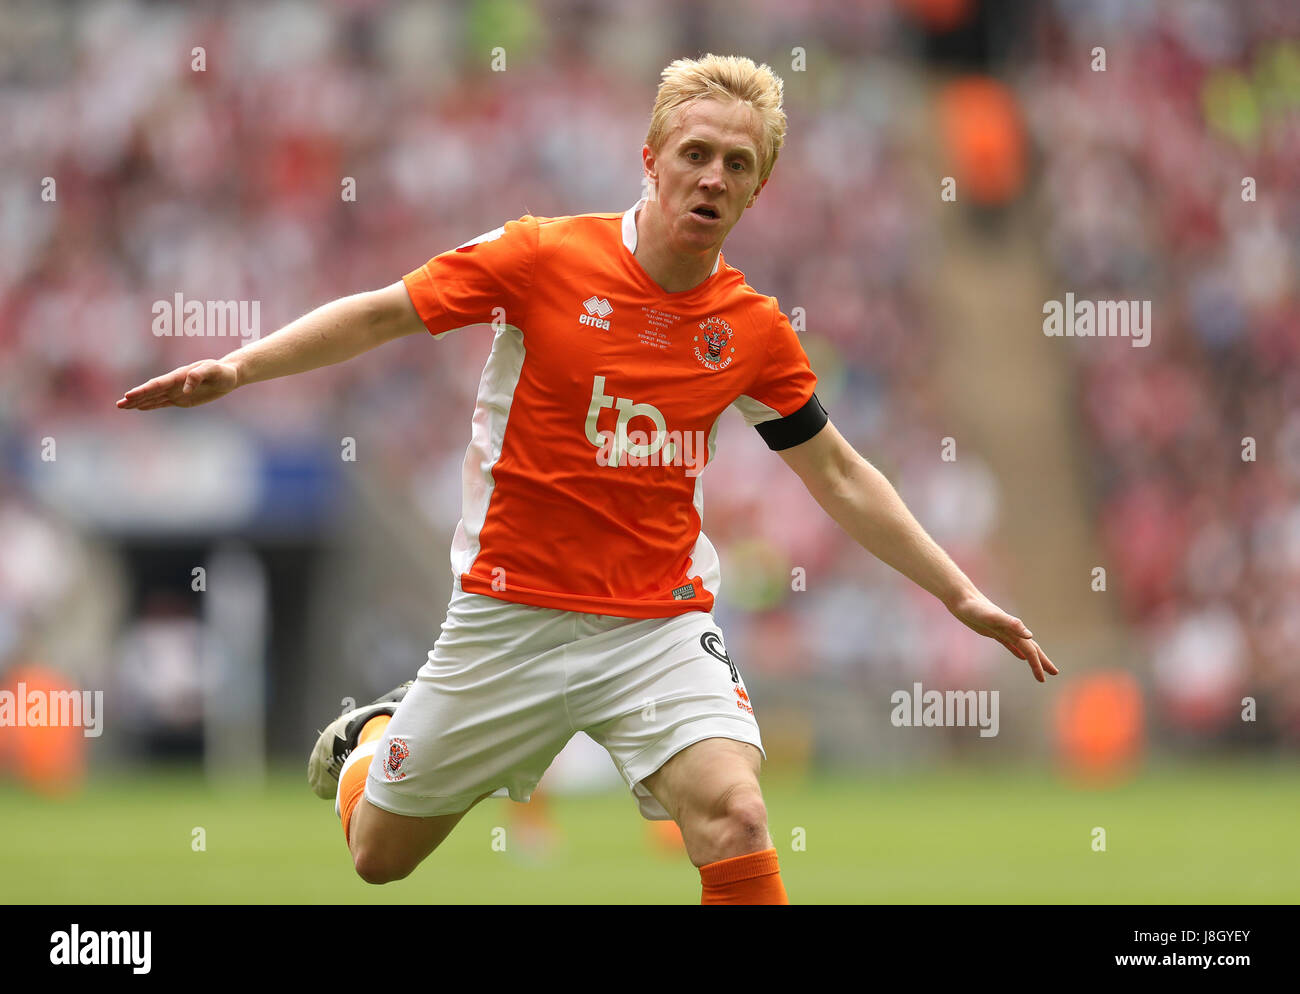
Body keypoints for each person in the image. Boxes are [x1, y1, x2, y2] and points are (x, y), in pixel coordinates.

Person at [117, 53, 1058, 904]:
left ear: (758, 190)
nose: (713, 178)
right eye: (696, 153)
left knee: (737, 816)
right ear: (649, 159)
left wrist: (960, 592)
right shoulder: (541, 257)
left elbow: (841, 474)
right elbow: (379, 317)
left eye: (738, 166)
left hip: (658, 623)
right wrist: (239, 369)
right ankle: (376, 737)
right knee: (378, 857)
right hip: (507, 615)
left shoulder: (754, 330)